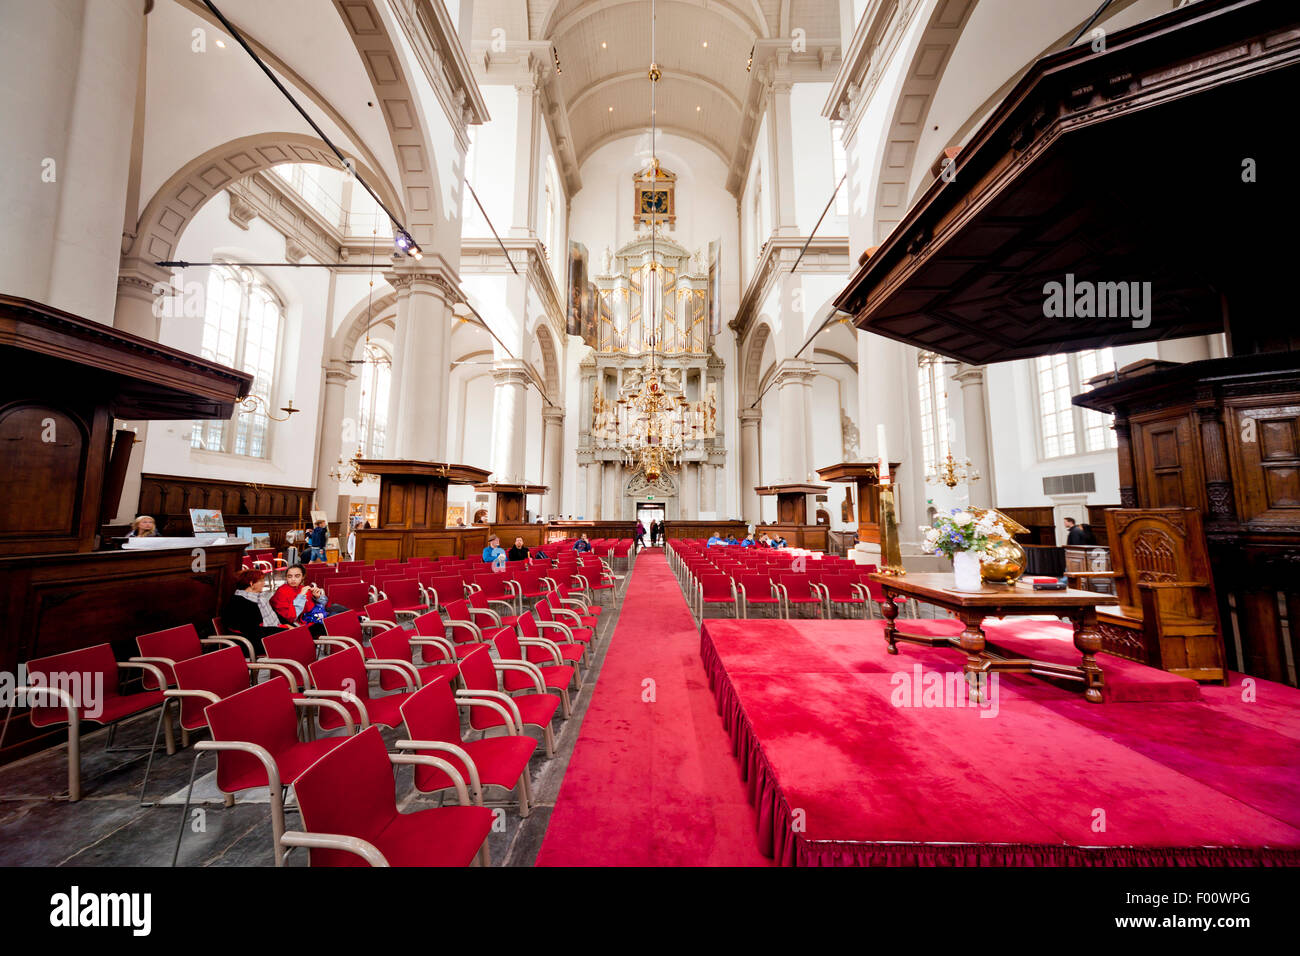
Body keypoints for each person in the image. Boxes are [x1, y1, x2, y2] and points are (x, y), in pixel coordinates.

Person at [221, 568, 288, 655]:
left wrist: (288, 625)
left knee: (296, 633)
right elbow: (252, 630)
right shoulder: (239, 603)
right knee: (291, 639)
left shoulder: (258, 598)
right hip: (248, 642)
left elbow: (275, 614)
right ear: (251, 583)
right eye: (261, 580)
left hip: (262, 635)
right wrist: (282, 630)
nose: (264, 583)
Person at [271, 564, 345, 636]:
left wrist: (317, 597)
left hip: (314, 616)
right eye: (289, 576)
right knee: (338, 617)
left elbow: (319, 606)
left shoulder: (302, 587)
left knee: (337, 607)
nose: (293, 579)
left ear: (303, 577)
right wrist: (301, 595)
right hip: (303, 624)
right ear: (286, 578)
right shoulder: (282, 592)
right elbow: (290, 617)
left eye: (297, 576)